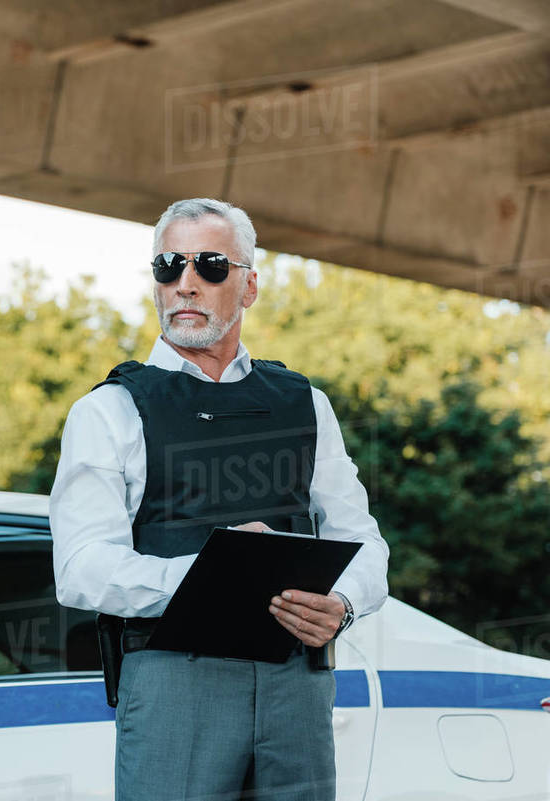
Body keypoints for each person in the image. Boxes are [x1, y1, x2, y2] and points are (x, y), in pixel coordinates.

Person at [49, 198, 389, 801]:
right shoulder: (109, 410)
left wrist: (342, 604)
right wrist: (217, 576)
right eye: (168, 267)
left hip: (296, 684)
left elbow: (361, 541)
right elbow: (80, 570)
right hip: (175, 683)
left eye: (209, 266)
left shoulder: (304, 403)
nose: (185, 285)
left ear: (249, 285)